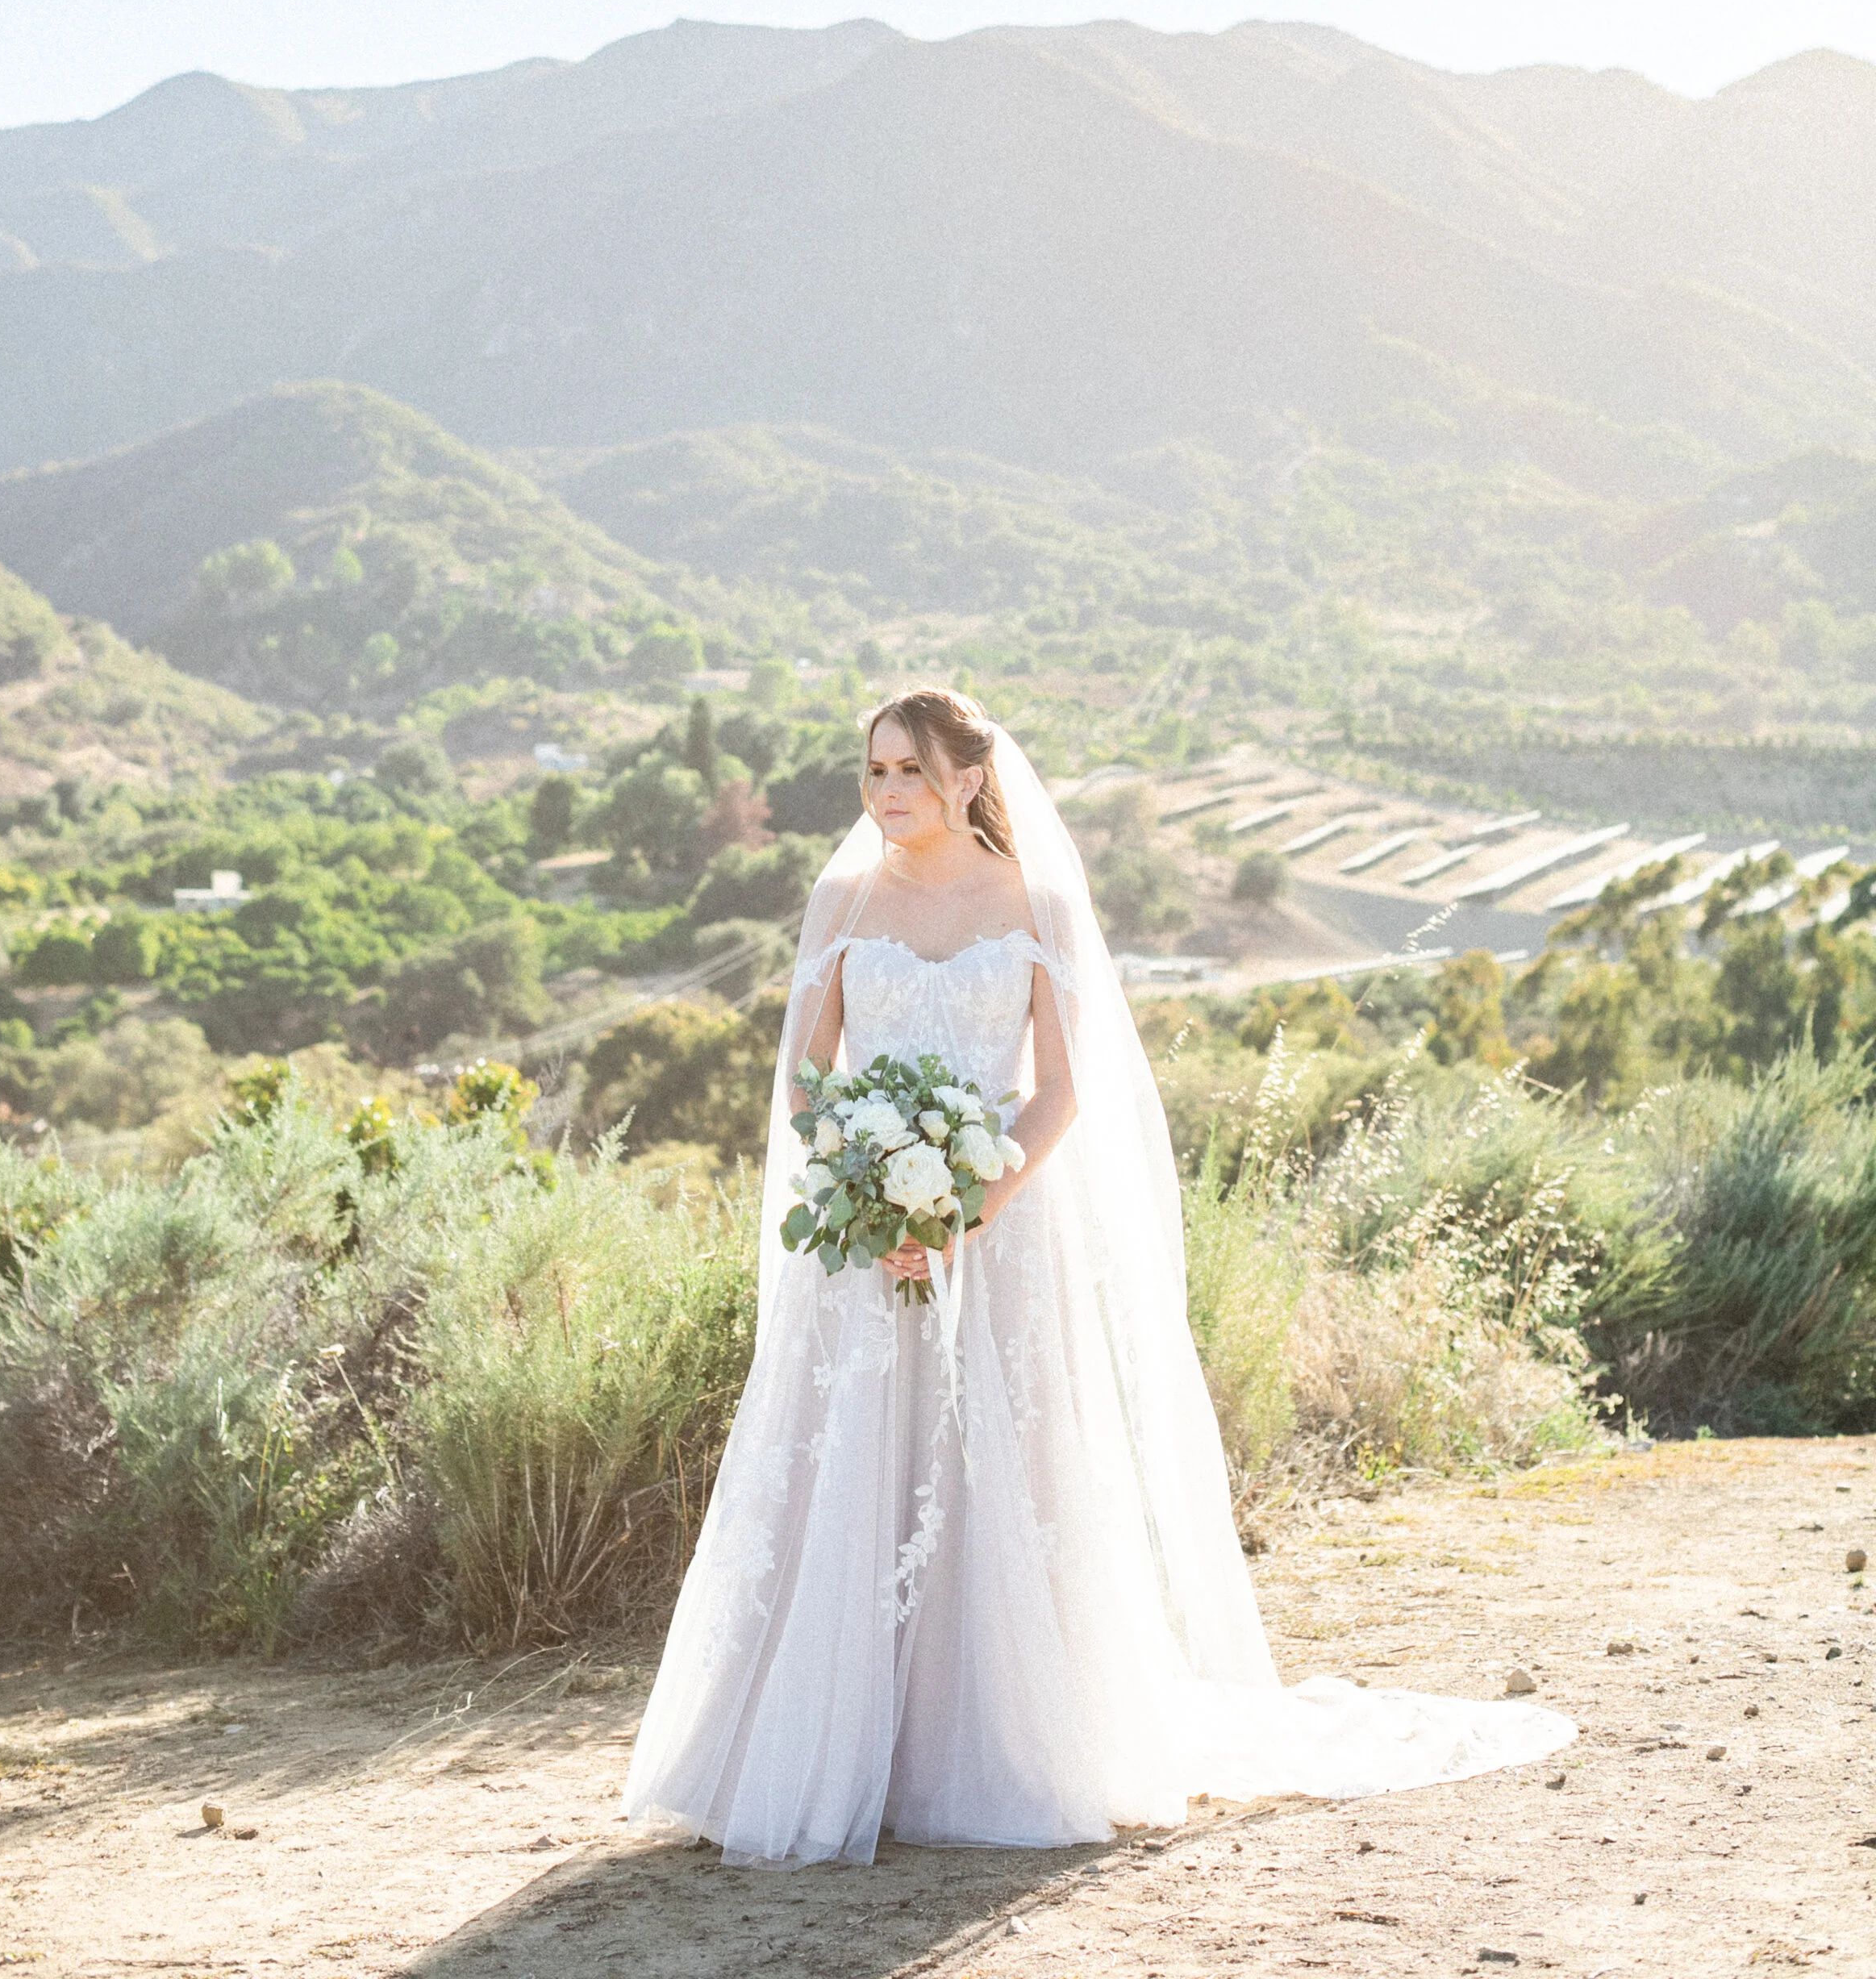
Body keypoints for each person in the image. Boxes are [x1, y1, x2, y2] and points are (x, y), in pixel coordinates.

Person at [623, 685, 1572, 1865]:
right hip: (866, 1247)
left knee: (995, 1478)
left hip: (1002, 1236)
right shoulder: (843, 897)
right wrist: (870, 1194)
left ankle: (996, 1750)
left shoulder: (1040, 901)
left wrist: (966, 1207)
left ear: (969, 777)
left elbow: (1064, 1089)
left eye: (909, 771)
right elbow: (807, 1082)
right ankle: (826, 1748)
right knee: (853, 1473)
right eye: (873, 774)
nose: (887, 795)